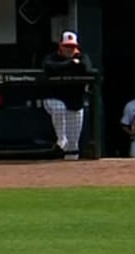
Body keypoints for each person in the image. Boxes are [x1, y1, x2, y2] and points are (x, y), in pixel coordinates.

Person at [42, 31, 94, 160]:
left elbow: (86, 67)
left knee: (73, 146)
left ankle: (70, 174)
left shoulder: (82, 56)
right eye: (66, 46)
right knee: (59, 108)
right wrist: (70, 64)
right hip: (53, 99)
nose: (69, 49)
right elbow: (49, 67)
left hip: (75, 103)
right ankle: (61, 139)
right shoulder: (52, 57)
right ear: (60, 46)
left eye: (72, 46)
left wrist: (66, 66)